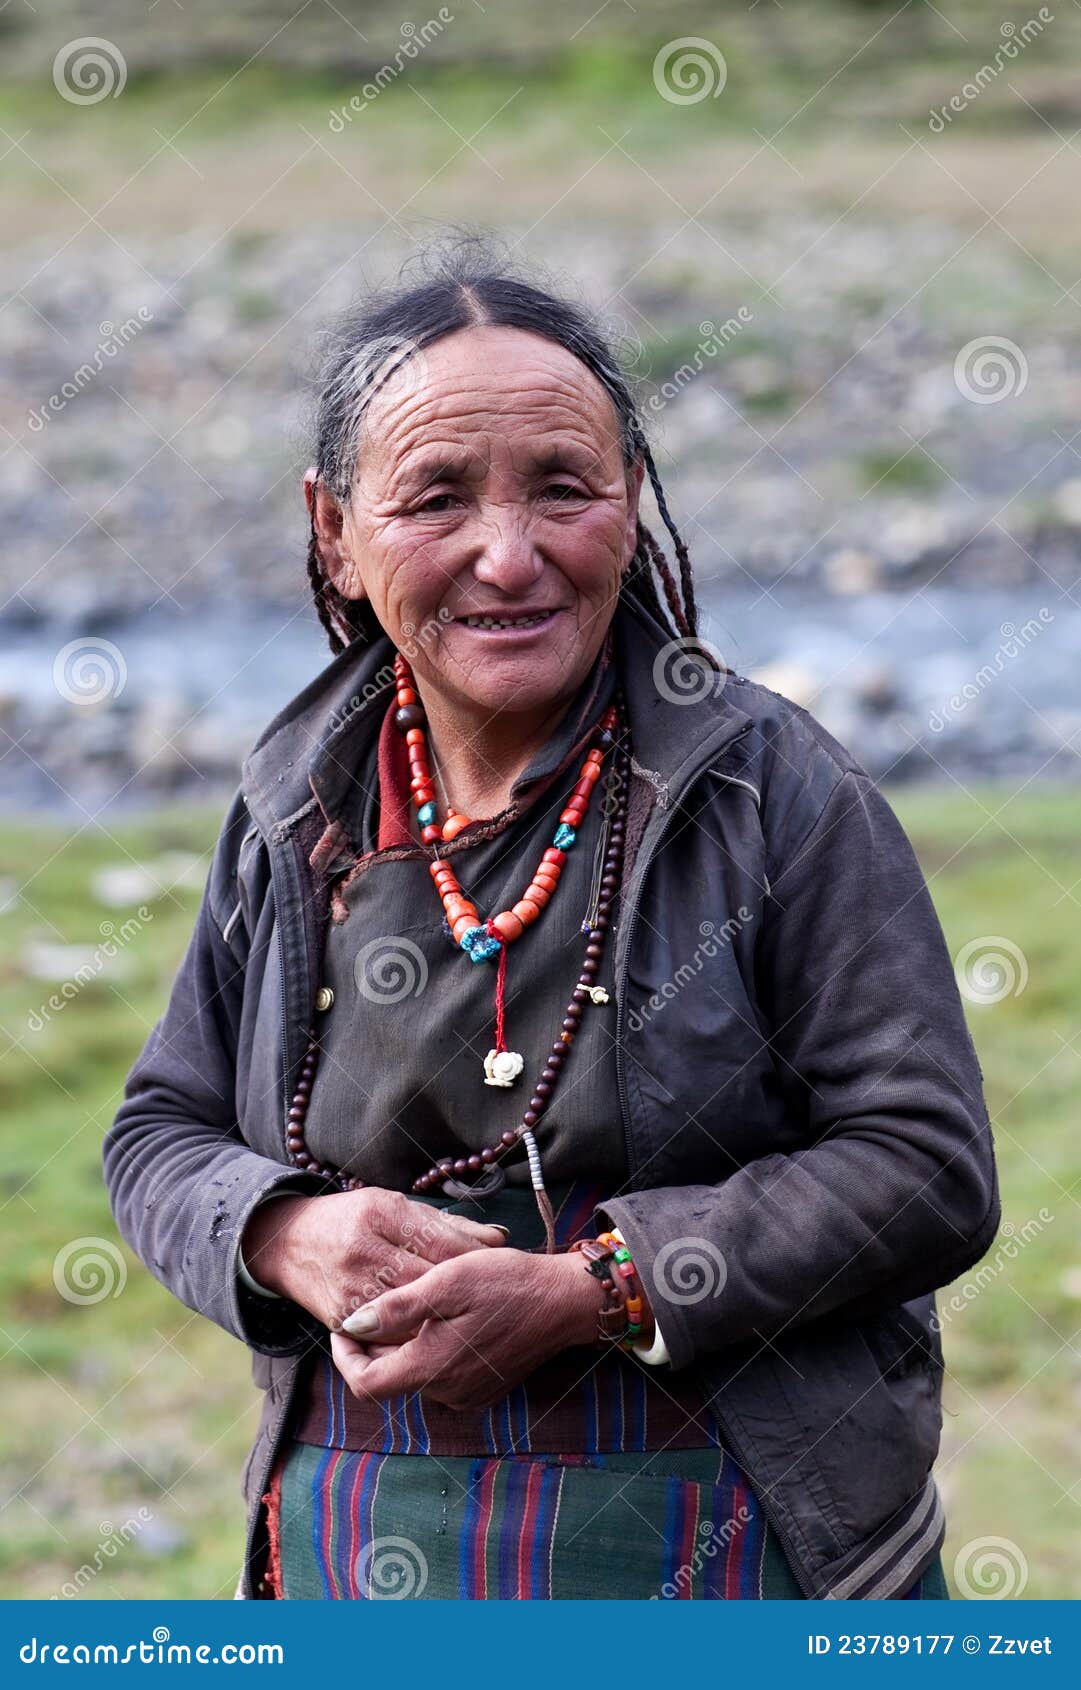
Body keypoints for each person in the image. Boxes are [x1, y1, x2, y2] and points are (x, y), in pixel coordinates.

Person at [104, 241, 999, 1600]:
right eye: (434, 498)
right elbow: (158, 1133)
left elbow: (925, 1168)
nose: (506, 557)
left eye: (564, 489)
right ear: (332, 528)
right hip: (360, 1541)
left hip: (731, 1540)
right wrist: (282, 1231)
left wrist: (598, 1287)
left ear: (629, 505)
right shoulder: (297, 808)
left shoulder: (775, 795)